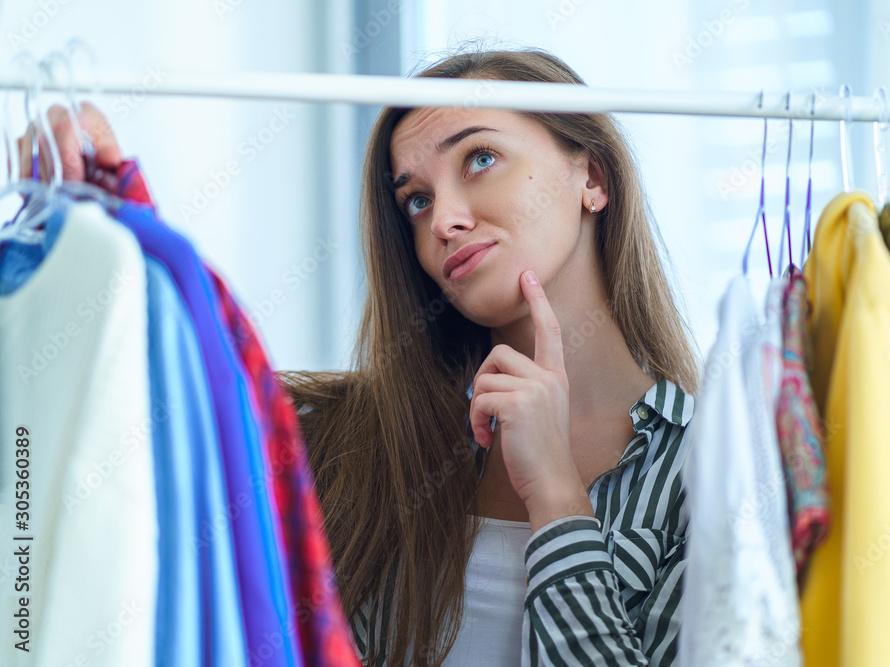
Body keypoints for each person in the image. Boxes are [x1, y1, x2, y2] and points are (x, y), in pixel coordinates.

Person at [27, 47, 700, 666]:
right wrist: (104, 229)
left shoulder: (701, 467)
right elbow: (170, 423)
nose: (443, 220)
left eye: (480, 158)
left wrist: (556, 494)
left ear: (594, 177)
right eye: (416, 198)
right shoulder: (335, 438)